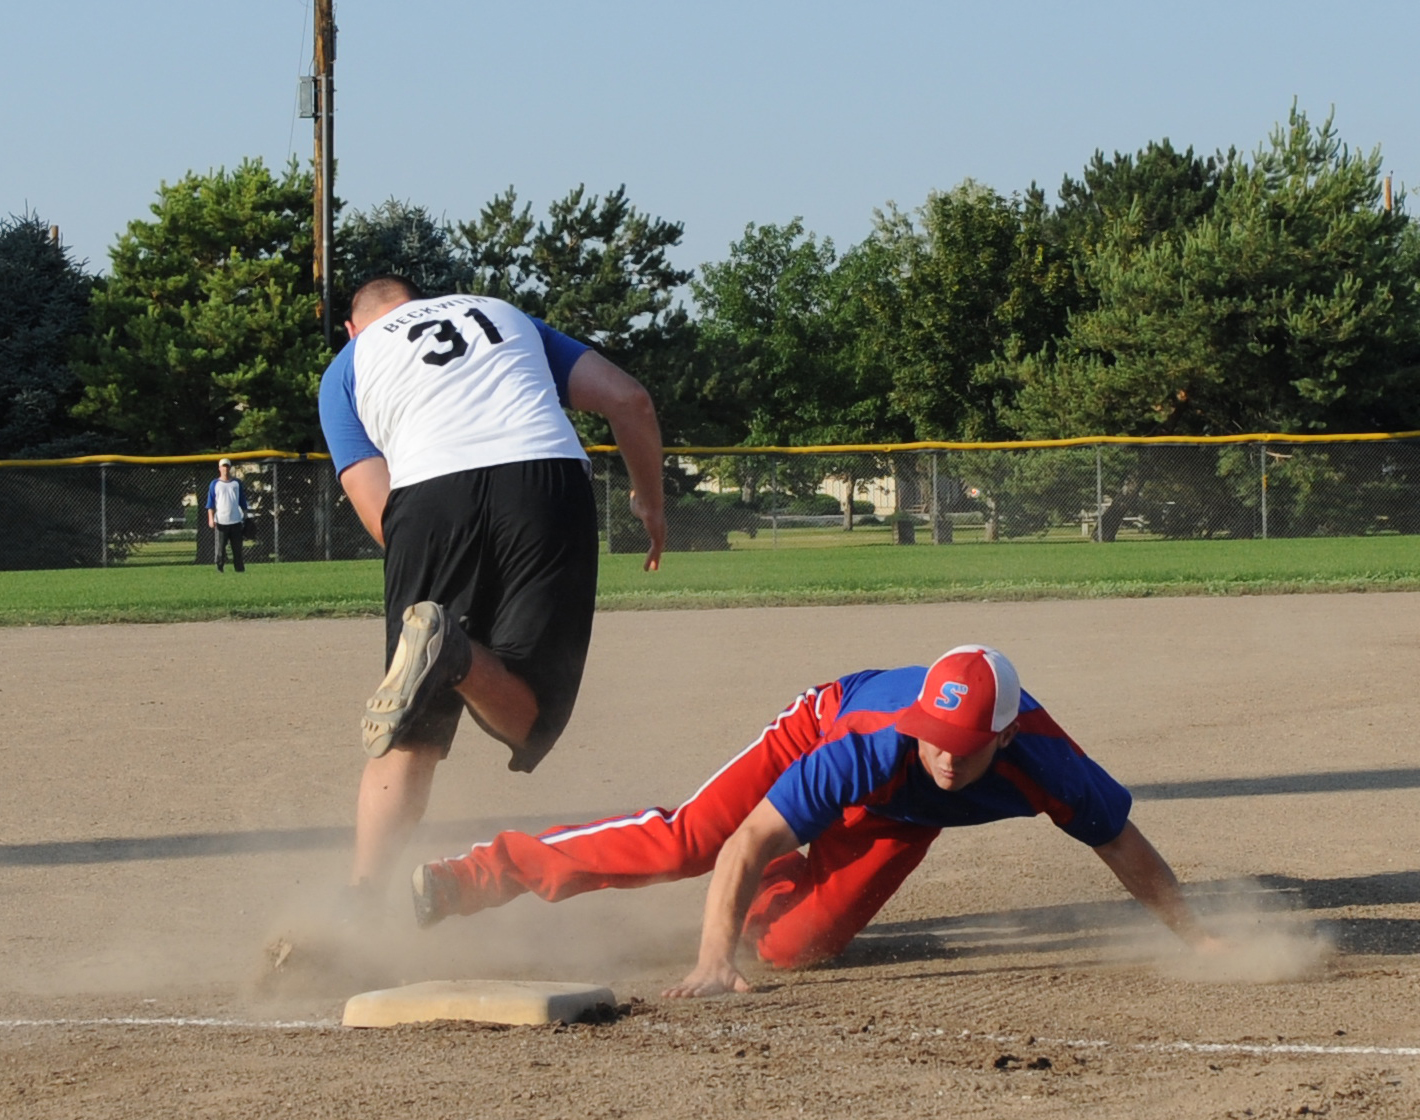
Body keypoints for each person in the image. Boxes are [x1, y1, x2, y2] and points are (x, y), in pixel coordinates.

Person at [409, 645, 1223, 998]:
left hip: (901, 817)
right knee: (694, 841)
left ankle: (759, 908)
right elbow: (747, 839)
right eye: (934, 739)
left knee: (794, 950)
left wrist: (1200, 937)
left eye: (964, 748)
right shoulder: (877, 742)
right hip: (824, 730)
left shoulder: (1050, 764)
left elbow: (1124, 845)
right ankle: (478, 875)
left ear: (1005, 737)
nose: (945, 757)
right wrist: (711, 962)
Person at [318, 276, 667, 901]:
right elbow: (629, 399)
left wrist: (438, 558)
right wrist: (651, 501)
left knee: (410, 733)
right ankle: (454, 655)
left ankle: (360, 903)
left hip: (426, 494)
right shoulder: (504, 314)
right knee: (528, 719)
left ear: (353, 328)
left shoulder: (348, 364)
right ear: (426, 300)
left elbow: (380, 513)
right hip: (544, 477)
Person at [205, 457, 248, 572]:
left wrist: (245, 514)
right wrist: (210, 518)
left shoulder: (236, 483)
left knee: (237, 549)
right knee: (220, 549)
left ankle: (239, 569)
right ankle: (220, 568)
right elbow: (210, 503)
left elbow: (242, 500)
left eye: (227, 466)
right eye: (223, 466)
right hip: (221, 521)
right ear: (219, 468)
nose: (225, 469)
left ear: (230, 468)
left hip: (235, 521)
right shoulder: (215, 484)